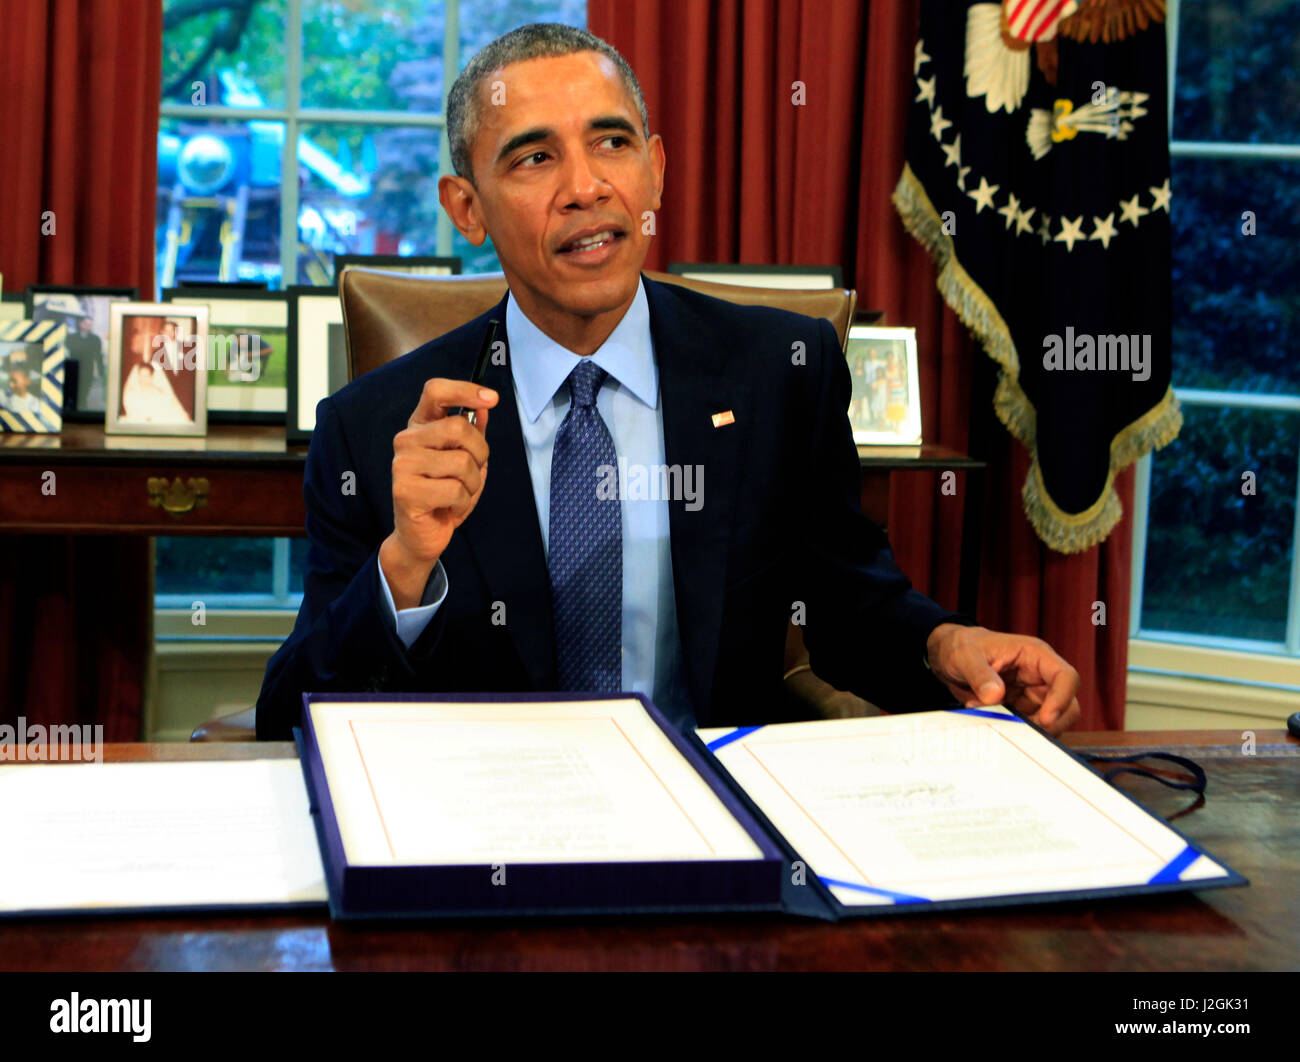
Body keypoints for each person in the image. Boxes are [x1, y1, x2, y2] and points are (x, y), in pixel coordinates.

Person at [256, 24, 1081, 740]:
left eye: (612, 143)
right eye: (536, 157)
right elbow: (291, 716)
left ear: (653, 171)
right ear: (466, 208)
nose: (586, 187)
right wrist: (405, 565)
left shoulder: (778, 376)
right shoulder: (372, 430)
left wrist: (946, 646)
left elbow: (850, 607)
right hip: (486, 839)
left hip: (716, 828)